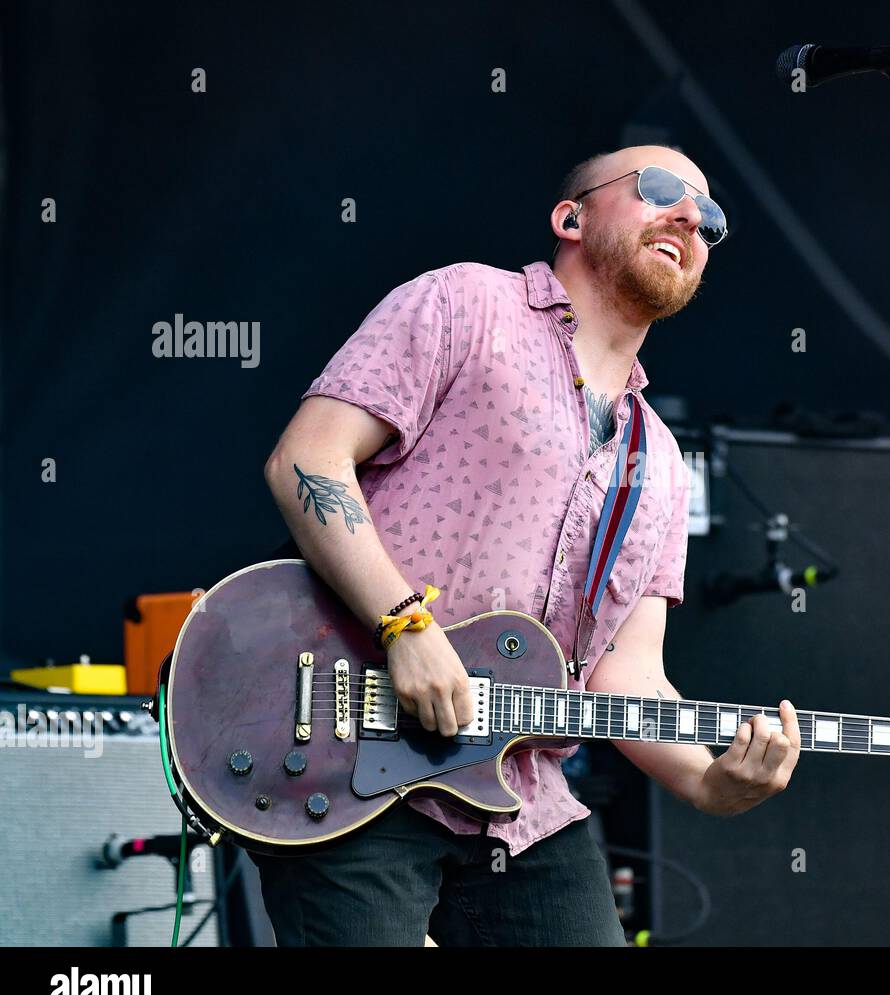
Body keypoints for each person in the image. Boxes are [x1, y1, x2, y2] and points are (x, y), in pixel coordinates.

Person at [250, 144, 801, 946]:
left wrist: (708, 781)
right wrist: (404, 625)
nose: (691, 218)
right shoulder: (466, 304)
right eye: (661, 192)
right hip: (346, 761)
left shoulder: (662, 462)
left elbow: (629, 675)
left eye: (710, 218)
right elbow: (306, 458)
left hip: (523, 803)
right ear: (570, 217)